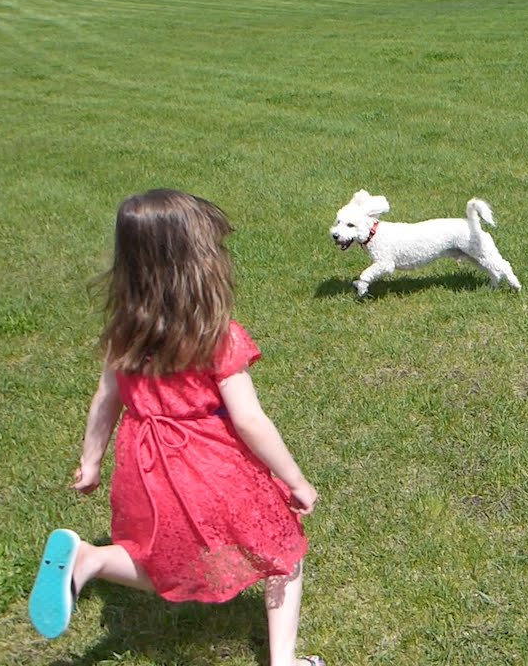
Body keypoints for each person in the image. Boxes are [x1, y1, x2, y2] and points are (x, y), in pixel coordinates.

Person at [28, 189, 325, 666]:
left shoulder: (124, 330)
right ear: (197, 263)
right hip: (211, 463)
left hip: (144, 466)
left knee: (163, 559)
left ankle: (91, 560)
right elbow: (249, 419)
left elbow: (106, 400)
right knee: (282, 549)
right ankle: (285, 661)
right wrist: (295, 479)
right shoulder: (217, 333)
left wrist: (90, 463)